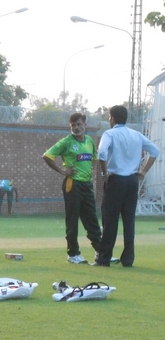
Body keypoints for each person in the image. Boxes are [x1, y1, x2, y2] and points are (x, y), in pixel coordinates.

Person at [94, 105, 160, 267]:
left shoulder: (109, 133)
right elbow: (155, 151)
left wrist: (104, 173)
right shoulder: (136, 135)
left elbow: (101, 153)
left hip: (116, 179)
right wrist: (143, 172)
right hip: (132, 181)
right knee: (129, 221)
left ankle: (104, 258)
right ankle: (128, 259)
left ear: (112, 118)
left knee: (110, 220)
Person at [42, 112, 102, 264]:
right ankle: (73, 254)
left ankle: (101, 252)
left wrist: (90, 175)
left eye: (79, 124)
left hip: (87, 185)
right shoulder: (66, 142)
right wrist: (63, 171)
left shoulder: (89, 141)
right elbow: (47, 156)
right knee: (73, 219)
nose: (76, 128)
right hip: (72, 184)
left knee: (92, 219)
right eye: (73, 125)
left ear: (85, 125)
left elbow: (94, 158)